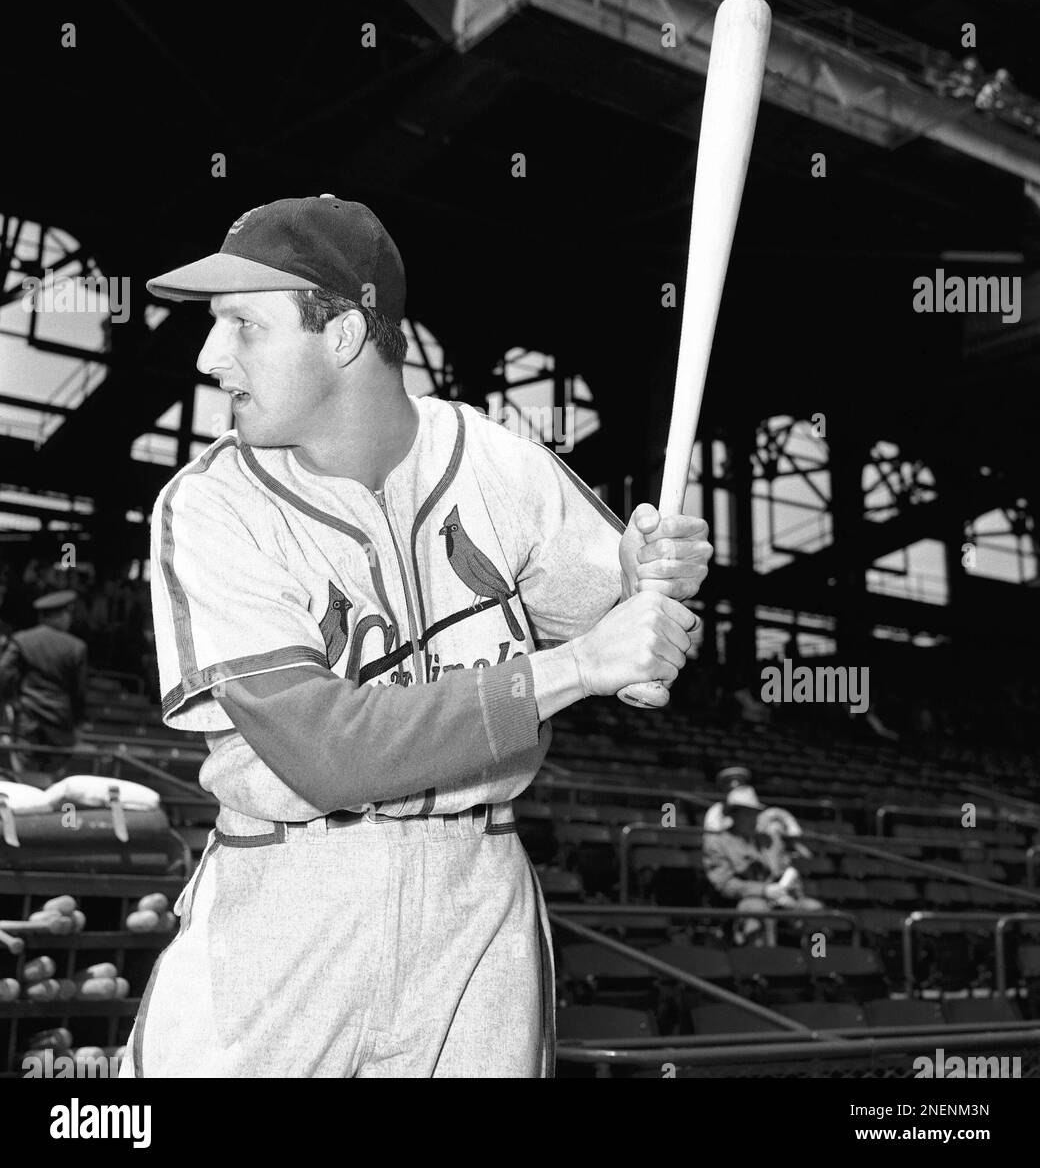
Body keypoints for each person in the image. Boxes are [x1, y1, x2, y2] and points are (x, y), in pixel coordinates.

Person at [118, 195, 712, 1079]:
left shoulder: (503, 464)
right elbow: (331, 753)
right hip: (287, 897)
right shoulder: (211, 505)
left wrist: (652, 588)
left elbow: (637, 646)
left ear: (346, 334)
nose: (210, 358)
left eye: (244, 325)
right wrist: (583, 663)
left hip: (476, 898)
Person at [702, 784, 820, 945]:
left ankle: (818, 961)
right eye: (747, 814)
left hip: (781, 898)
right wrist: (764, 891)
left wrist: (789, 894)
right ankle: (762, 965)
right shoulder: (717, 842)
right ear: (734, 815)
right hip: (744, 901)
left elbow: (785, 869)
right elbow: (724, 884)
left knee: (814, 909)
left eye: (755, 814)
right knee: (756, 909)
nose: (753, 819)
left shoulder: (768, 840)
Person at [0, 589, 88, 778]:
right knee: (53, 781)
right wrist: (78, 722)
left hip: (27, 721)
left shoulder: (22, 640)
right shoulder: (76, 647)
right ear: (62, 615)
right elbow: (78, 693)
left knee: (25, 779)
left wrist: (11, 702)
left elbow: (3, 675)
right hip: (61, 724)